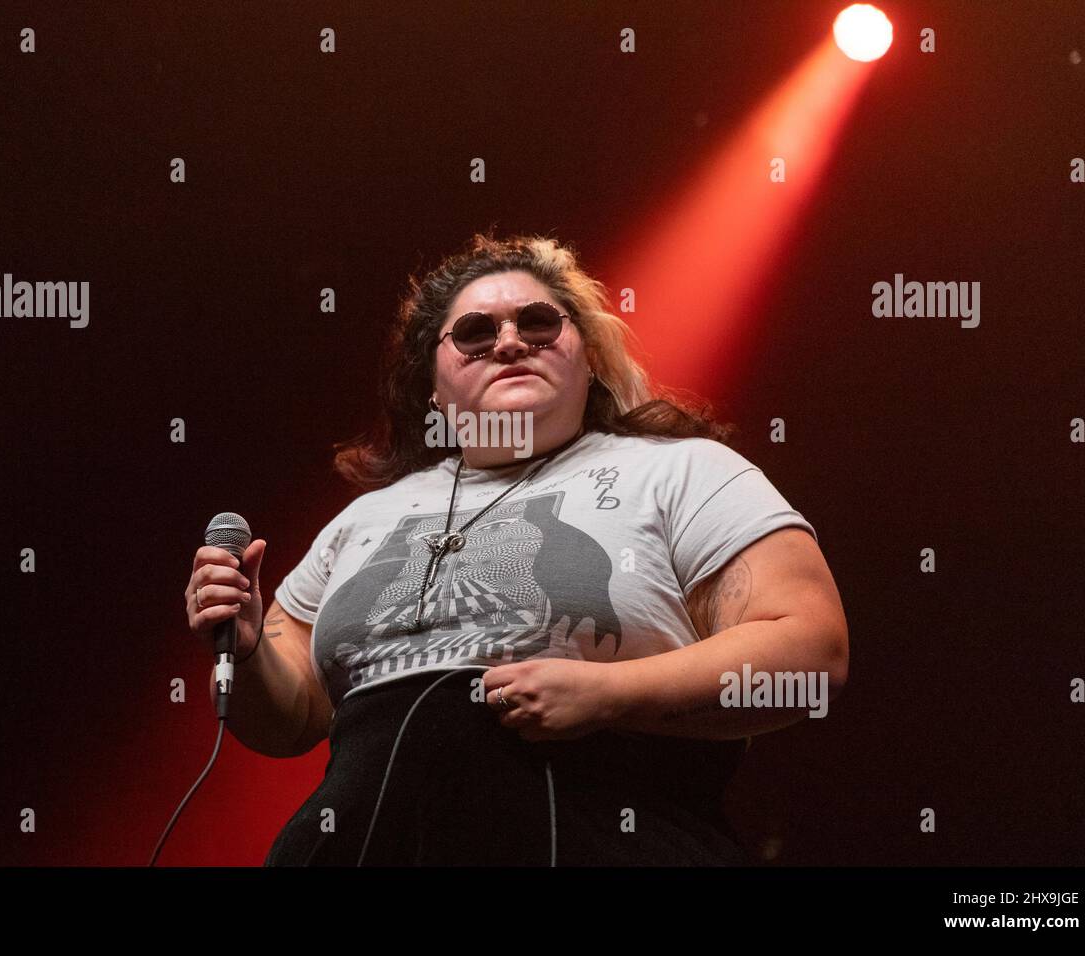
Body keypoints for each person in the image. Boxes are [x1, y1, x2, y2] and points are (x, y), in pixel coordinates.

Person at [184, 232, 848, 866]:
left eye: (539, 323)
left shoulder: (681, 472)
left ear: (589, 359)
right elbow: (290, 718)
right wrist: (245, 648)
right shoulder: (364, 519)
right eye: (474, 333)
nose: (508, 342)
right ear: (433, 389)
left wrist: (610, 692)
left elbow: (809, 651)